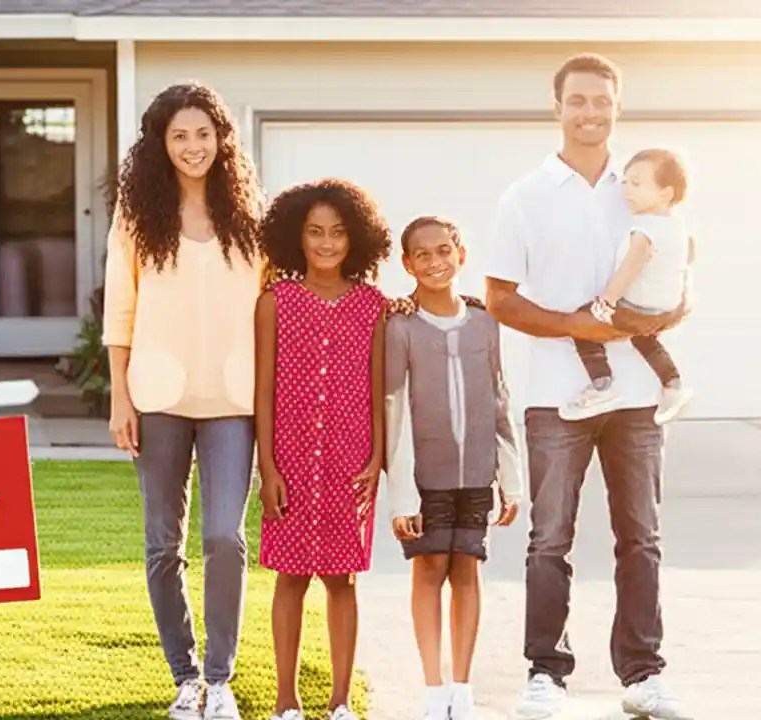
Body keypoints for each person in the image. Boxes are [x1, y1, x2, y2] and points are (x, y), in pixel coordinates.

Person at [483, 53, 694, 720]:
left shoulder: (644, 185)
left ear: (617, 106)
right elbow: (498, 299)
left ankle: (644, 674)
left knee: (642, 540)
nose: (591, 112)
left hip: (635, 401)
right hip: (555, 397)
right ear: (558, 108)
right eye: (578, 101)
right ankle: (546, 673)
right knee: (550, 540)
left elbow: (681, 274)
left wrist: (665, 315)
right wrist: (575, 325)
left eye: (602, 100)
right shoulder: (524, 197)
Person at [102, 82, 264, 720]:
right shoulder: (137, 215)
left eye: (203, 134)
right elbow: (120, 309)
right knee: (162, 543)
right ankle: (185, 677)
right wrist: (119, 396)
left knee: (225, 535)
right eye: (179, 136)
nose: (193, 147)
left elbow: (285, 300)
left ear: (221, 139)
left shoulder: (252, 216)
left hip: (234, 397)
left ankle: (220, 679)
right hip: (156, 395)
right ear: (160, 145)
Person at [253, 178, 392, 720]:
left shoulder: (374, 306)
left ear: (356, 238)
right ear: (297, 237)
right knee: (290, 576)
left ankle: (339, 701)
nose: (328, 243)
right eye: (315, 232)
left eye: (337, 232)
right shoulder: (275, 302)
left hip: (349, 460)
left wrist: (377, 457)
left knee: (341, 578)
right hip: (288, 458)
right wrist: (268, 467)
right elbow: (262, 391)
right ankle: (286, 700)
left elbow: (379, 388)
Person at [383, 216, 524, 720]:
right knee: (429, 571)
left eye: (444, 250)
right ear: (406, 264)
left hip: (476, 477)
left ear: (461, 254)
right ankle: (432, 687)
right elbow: (393, 411)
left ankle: (462, 688)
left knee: (467, 570)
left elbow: (500, 400)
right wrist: (402, 495)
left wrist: (510, 479)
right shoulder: (399, 327)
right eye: (422, 254)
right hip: (425, 479)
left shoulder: (485, 323)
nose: (435, 262)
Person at [562, 148, 696, 425]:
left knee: (581, 326)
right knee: (643, 337)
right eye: (625, 182)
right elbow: (688, 256)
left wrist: (607, 302)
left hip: (638, 308)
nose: (626, 190)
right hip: (664, 308)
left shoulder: (645, 230)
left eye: (636, 183)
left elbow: (630, 268)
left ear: (665, 193)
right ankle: (673, 384)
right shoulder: (676, 226)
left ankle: (602, 386)